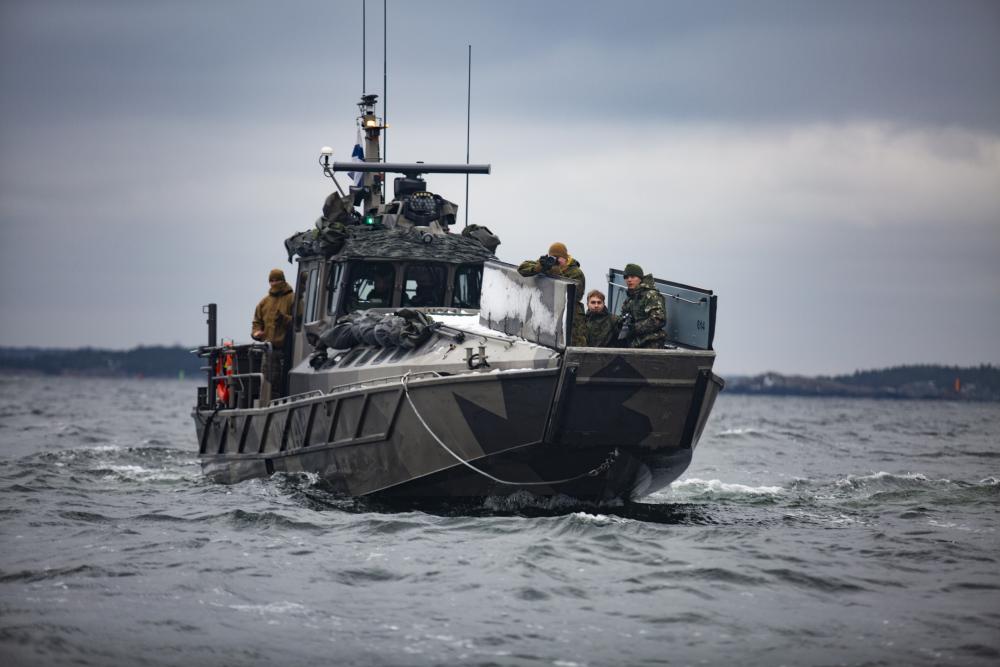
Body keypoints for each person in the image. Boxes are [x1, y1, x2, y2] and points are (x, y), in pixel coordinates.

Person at [518, 242, 587, 346]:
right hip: (547, 313)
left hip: (568, 316)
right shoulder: (547, 265)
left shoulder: (576, 272)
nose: (556, 260)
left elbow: (577, 295)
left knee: (571, 344)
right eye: (553, 257)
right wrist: (539, 266)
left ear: (565, 258)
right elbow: (522, 268)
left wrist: (556, 273)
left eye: (558, 257)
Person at [252, 268, 295, 398]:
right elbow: (256, 322)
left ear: (283, 280)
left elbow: (300, 320)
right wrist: (256, 333)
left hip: (287, 350)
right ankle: (270, 406)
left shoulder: (293, 298)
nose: (274, 283)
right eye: (272, 280)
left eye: (277, 280)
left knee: (284, 381)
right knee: (268, 382)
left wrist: (284, 318)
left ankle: (283, 403)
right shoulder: (263, 303)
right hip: (268, 350)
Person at [617, 263, 667, 349]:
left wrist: (634, 328)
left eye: (632, 277)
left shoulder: (651, 295)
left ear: (640, 278)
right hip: (634, 344)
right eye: (626, 277)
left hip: (651, 343)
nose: (629, 280)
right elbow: (623, 318)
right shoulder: (629, 299)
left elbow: (658, 319)